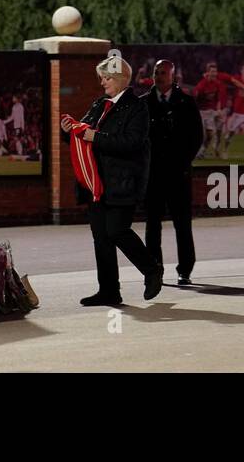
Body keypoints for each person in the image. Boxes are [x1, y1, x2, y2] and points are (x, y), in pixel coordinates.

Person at [60, 56, 163, 305]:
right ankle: (108, 291)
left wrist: (96, 137)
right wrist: (68, 132)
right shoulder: (99, 104)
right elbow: (84, 134)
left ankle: (151, 269)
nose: (102, 82)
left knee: (117, 231)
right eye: (102, 78)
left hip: (123, 182)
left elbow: (132, 143)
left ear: (120, 79)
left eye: (106, 78)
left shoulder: (137, 107)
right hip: (97, 183)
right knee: (101, 237)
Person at [143, 59, 204, 286]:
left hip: (178, 174)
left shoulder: (186, 102)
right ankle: (154, 269)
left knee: (182, 224)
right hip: (153, 174)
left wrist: (182, 162)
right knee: (152, 224)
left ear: (172, 76)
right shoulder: (144, 103)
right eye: (156, 72)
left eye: (163, 73)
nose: (158, 76)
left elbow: (196, 137)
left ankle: (185, 269)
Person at [193, 61, 228, 158]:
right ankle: (196, 151)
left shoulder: (217, 84)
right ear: (207, 72)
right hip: (200, 112)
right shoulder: (201, 85)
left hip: (210, 112)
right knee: (201, 134)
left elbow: (218, 99)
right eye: (212, 72)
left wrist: (219, 110)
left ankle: (202, 151)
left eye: (215, 72)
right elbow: (195, 98)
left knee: (210, 134)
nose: (214, 74)